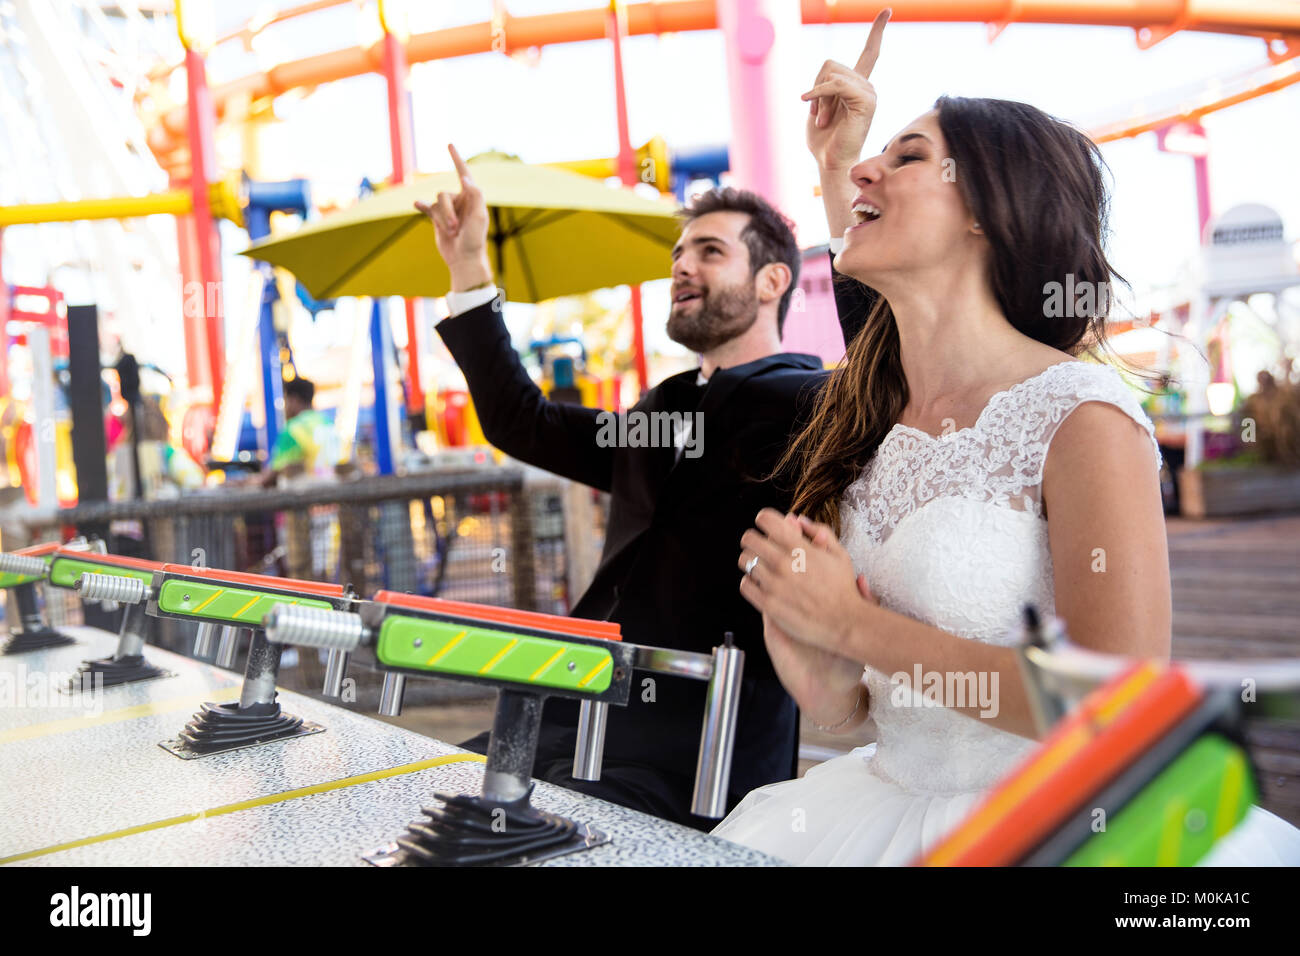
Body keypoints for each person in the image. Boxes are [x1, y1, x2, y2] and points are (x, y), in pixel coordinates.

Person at [711, 11, 1300, 865]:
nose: (870, 166)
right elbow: (863, 716)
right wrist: (825, 670)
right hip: (885, 808)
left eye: (907, 156)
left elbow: (1122, 706)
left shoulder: (1078, 416)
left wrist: (856, 626)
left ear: (991, 210)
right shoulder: (874, 424)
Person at [416, 144, 866, 829]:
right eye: (679, 253)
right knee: (414, 804)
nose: (683, 265)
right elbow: (520, 421)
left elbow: (890, 374)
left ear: (775, 280)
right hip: (560, 720)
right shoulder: (658, 411)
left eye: (711, 252)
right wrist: (469, 267)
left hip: (698, 755)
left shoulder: (817, 405)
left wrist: (841, 184)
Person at [261, 377, 337, 487]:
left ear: (294, 400)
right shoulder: (329, 423)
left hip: (307, 496)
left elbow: (271, 475)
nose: (285, 407)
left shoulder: (293, 429)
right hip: (335, 492)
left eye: (286, 401)